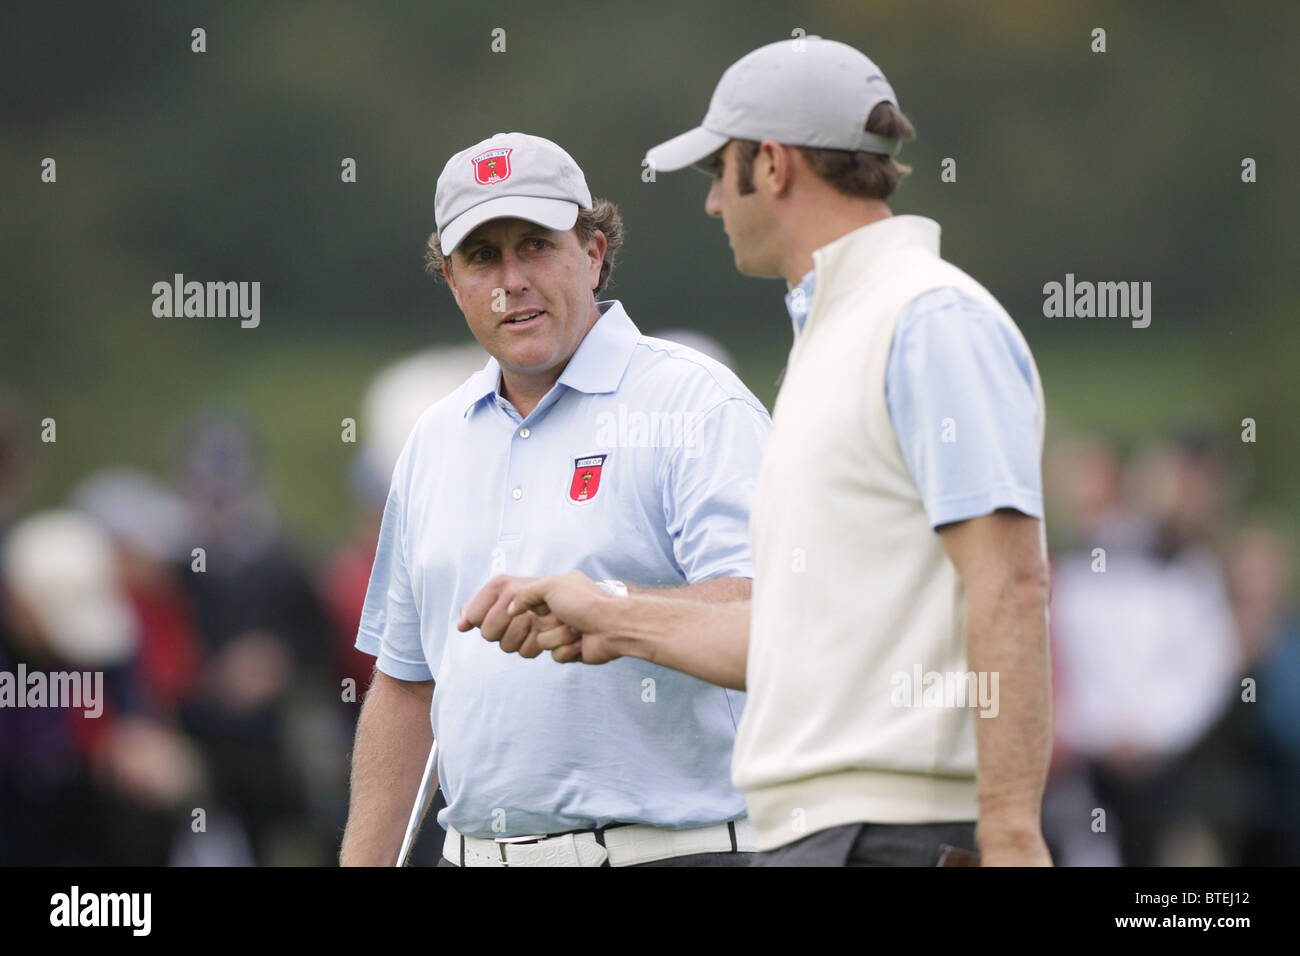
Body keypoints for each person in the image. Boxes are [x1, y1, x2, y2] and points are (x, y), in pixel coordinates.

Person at [493, 38, 1054, 866]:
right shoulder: (842, 333)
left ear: (776, 166)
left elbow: (1011, 578)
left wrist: (1009, 829)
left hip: (896, 831)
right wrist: (613, 617)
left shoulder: (927, 320)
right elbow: (795, 636)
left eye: (721, 171)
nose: (715, 203)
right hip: (827, 830)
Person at [340, 132, 771, 867]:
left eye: (536, 246)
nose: (512, 279)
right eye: (483, 257)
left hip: (675, 853)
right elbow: (406, 688)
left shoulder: (696, 404)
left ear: (594, 253)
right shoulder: (433, 439)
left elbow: (772, 616)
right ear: (450, 279)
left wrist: (607, 606)